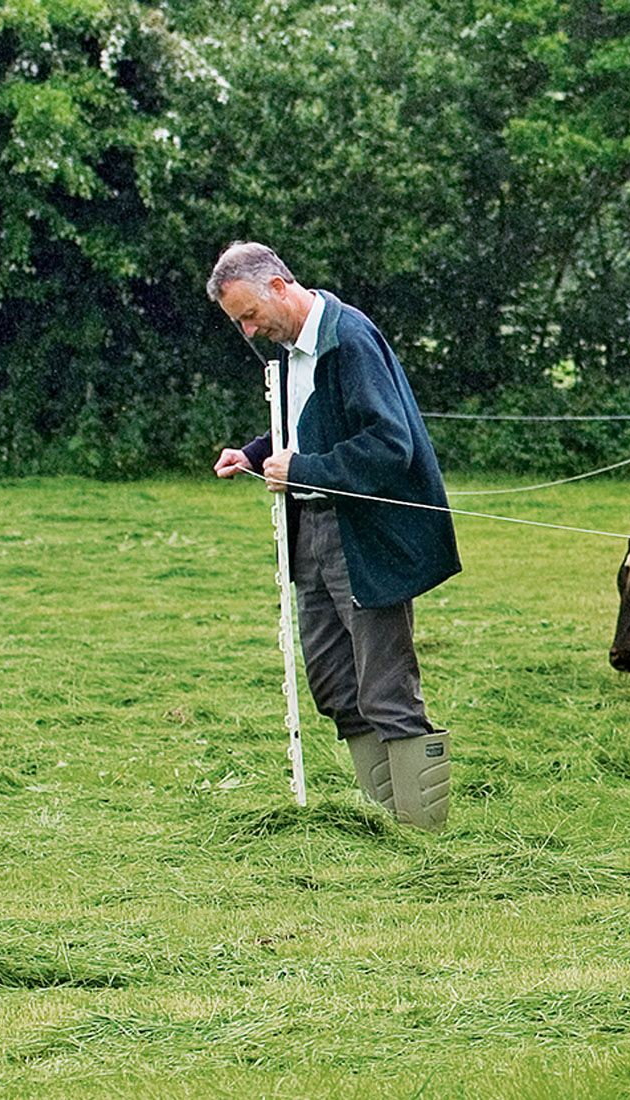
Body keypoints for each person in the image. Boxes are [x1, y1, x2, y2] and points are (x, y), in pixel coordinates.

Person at [208, 242, 461, 831]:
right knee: (334, 685)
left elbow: (388, 445)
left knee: (385, 687)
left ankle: (423, 836)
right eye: (237, 322)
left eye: (248, 315)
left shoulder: (348, 340)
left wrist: (303, 471)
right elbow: (304, 427)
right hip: (312, 534)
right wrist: (252, 454)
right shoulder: (294, 349)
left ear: (277, 286)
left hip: (364, 535)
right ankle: (384, 825)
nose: (248, 331)